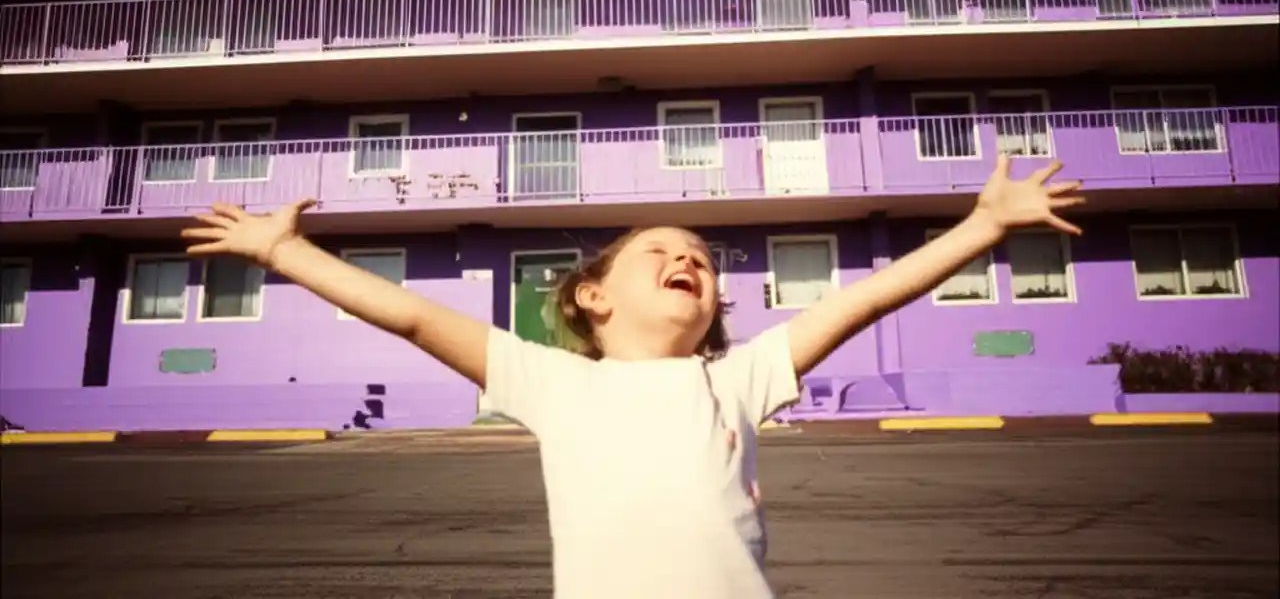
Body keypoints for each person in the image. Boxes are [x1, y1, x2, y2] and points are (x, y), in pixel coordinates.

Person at [181, 155, 1084, 598]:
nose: (687, 260)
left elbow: (862, 302)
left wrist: (982, 230)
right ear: (593, 296)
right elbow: (414, 314)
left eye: (700, 256)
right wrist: (288, 253)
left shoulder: (736, 375)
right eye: (660, 252)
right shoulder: (550, 381)